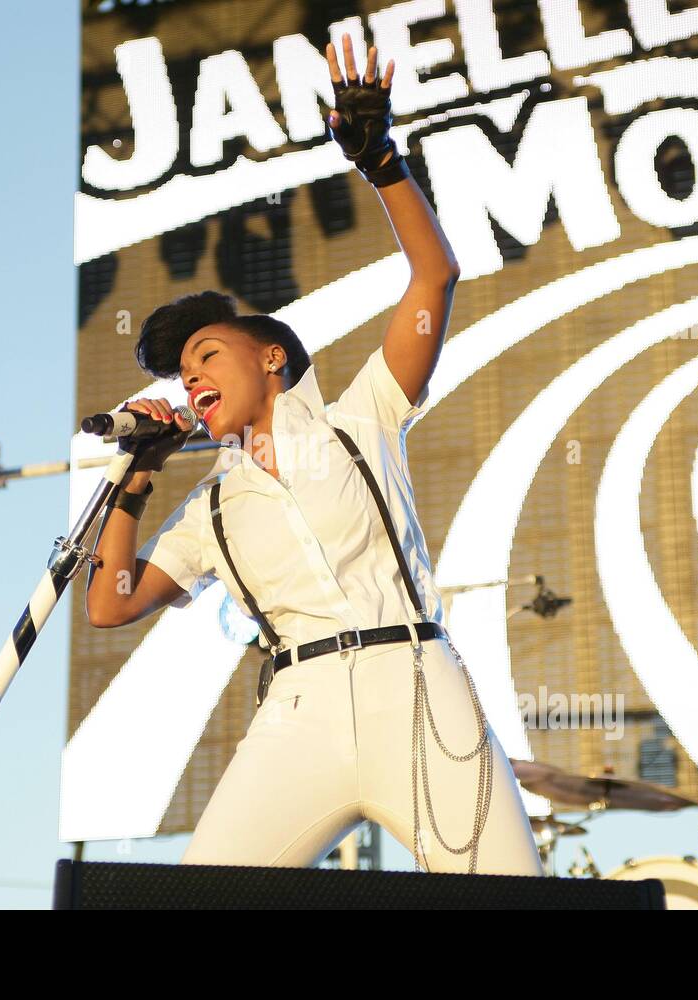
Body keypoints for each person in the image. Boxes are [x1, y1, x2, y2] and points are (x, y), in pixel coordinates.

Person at [84, 36, 541, 876]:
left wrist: (382, 161)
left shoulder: (359, 417)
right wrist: (139, 476)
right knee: (199, 902)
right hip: (298, 707)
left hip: (414, 679)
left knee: (511, 895)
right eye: (184, 376)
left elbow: (433, 277)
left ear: (270, 360)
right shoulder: (210, 511)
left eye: (208, 358)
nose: (192, 379)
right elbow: (110, 604)